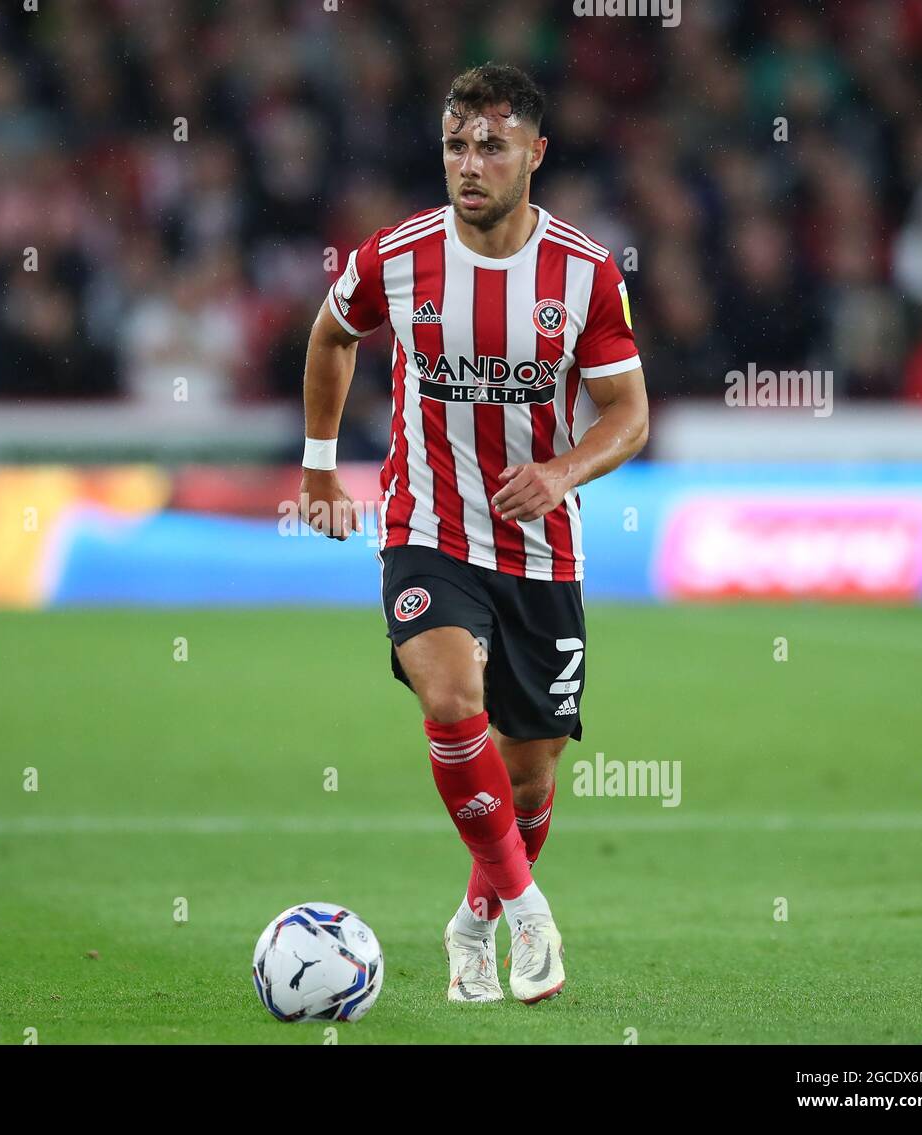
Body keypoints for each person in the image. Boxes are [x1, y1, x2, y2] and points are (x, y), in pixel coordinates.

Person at [299, 63, 649, 1004]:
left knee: (531, 781)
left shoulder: (584, 273)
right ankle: (531, 912)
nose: (470, 161)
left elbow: (629, 415)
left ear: (534, 154)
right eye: (456, 142)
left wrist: (562, 470)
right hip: (428, 528)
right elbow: (332, 336)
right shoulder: (395, 257)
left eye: (491, 144)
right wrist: (319, 464)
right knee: (452, 700)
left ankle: (474, 921)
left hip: (541, 548)